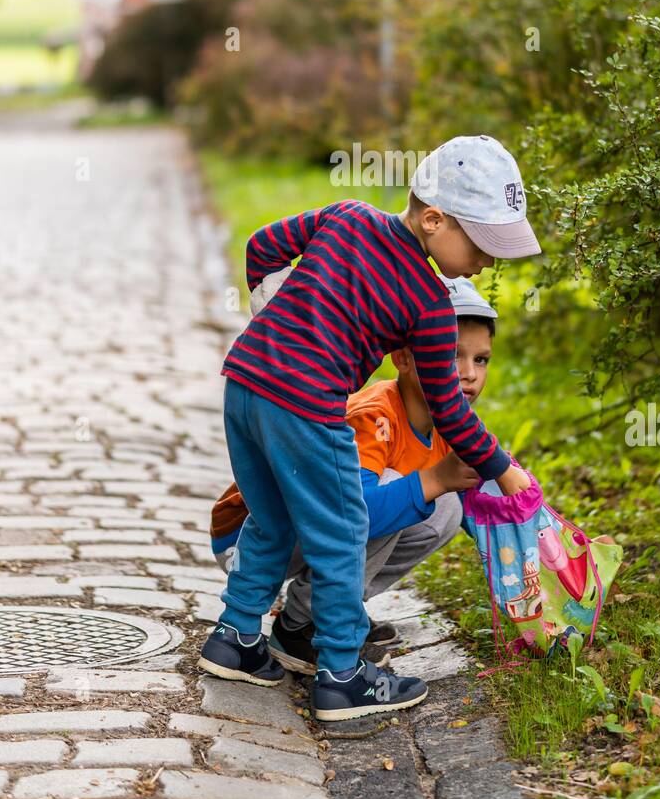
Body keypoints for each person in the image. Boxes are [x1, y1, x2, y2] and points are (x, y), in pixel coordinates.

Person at [198, 134, 541, 722]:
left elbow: (262, 247)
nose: (489, 262)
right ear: (435, 219)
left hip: (245, 383)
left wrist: (278, 321)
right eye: (483, 245)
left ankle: (236, 638)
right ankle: (341, 674)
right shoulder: (432, 304)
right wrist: (503, 470)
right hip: (306, 407)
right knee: (343, 533)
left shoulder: (347, 216)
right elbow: (452, 413)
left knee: (275, 517)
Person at [210, 277, 498, 675]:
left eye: (480, 359)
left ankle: (320, 611)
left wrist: (560, 556)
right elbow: (345, 511)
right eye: (451, 355)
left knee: (446, 507)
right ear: (403, 356)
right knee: (404, 491)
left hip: (306, 529)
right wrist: (432, 480)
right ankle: (305, 625)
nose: (468, 374)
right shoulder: (375, 414)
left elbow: (501, 501)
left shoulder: (456, 425)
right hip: (250, 533)